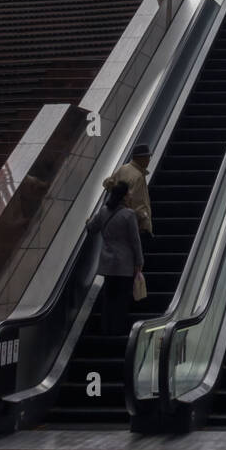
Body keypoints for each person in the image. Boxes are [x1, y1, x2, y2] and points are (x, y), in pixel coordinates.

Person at [87, 181, 144, 335]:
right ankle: (118, 329)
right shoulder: (129, 214)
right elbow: (135, 241)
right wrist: (139, 262)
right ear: (124, 196)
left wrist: (88, 221)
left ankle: (105, 328)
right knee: (121, 298)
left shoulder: (104, 212)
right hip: (124, 264)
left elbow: (92, 229)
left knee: (108, 297)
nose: (130, 194)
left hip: (107, 262)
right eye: (128, 192)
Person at [102, 143, 153, 246]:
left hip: (118, 220)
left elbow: (107, 182)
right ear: (140, 158)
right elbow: (138, 203)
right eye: (147, 157)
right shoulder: (138, 176)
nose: (149, 160)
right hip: (136, 226)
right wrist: (144, 222)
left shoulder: (123, 168)